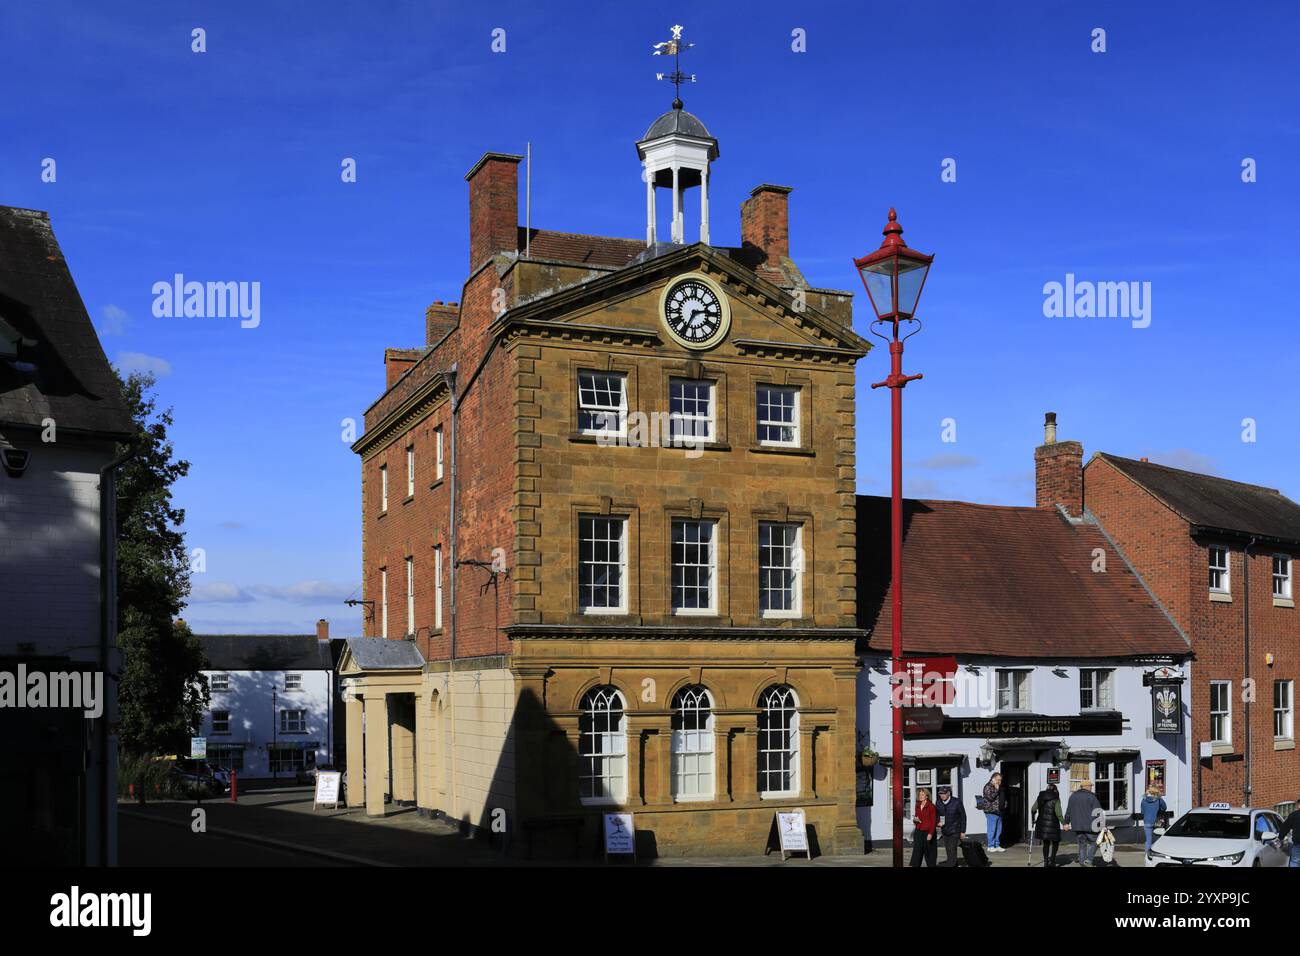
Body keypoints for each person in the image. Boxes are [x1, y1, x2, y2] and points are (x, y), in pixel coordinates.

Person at [1066, 781, 1103, 866]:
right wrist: (1101, 824)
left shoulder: (1073, 796)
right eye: (1090, 786)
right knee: (1095, 842)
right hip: (1090, 826)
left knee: (1082, 845)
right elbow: (1098, 811)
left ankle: (1083, 863)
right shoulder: (1092, 797)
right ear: (1086, 786)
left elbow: (1069, 811)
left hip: (1077, 826)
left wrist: (1066, 822)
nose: (1091, 788)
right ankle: (1088, 860)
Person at [1031, 783, 1065, 867]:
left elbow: (1033, 809)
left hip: (1042, 824)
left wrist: (1033, 819)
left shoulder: (1040, 796)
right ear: (1055, 790)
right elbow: (1058, 813)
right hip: (1053, 824)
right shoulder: (1056, 798)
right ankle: (1052, 861)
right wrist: (1064, 823)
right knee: (1055, 842)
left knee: (1046, 843)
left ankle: (1046, 862)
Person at [935, 784, 966, 867]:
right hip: (944, 830)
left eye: (944, 793)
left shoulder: (957, 802)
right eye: (940, 794)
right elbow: (936, 815)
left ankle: (950, 864)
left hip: (955, 830)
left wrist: (963, 831)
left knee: (952, 848)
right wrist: (937, 822)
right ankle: (953, 863)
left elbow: (963, 817)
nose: (942, 795)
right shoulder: (938, 803)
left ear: (948, 793)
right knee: (948, 849)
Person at [910, 787, 939, 867]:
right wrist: (915, 820)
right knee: (917, 852)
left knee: (929, 853)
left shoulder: (931, 806)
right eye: (919, 795)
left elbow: (933, 821)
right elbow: (917, 818)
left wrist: (930, 833)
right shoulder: (917, 805)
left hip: (928, 832)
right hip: (918, 831)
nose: (920, 796)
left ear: (927, 796)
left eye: (922, 794)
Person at [981, 772, 1007, 852]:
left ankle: (997, 845)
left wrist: (1005, 804)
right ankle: (990, 846)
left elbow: (1002, 797)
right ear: (993, 779)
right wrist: (996, 789)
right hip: (991, 811)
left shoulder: (999, 787)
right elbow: (990, 798)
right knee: (992, 829)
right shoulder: (988, 786)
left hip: (999, 811)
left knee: (999, 830)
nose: (1000, 782)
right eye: (998, 780)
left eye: (1000, 780)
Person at [1139, 786, 1168, 855]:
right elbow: (1165, 808)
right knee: (1159, 838)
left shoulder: (1144, 800)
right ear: (1156, 791)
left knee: (1148, 841)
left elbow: (1142, 812)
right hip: (1157, 822)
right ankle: (1159, 853)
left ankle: (1147, 855)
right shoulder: (1159, 799)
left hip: (1147, 821)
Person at [1278, 801, 1300, 868]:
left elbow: (1285, 827)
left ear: (1299, 805)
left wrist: (1280, 837)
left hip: (1297, 842)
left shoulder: (1293, 815)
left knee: (1295, 861)